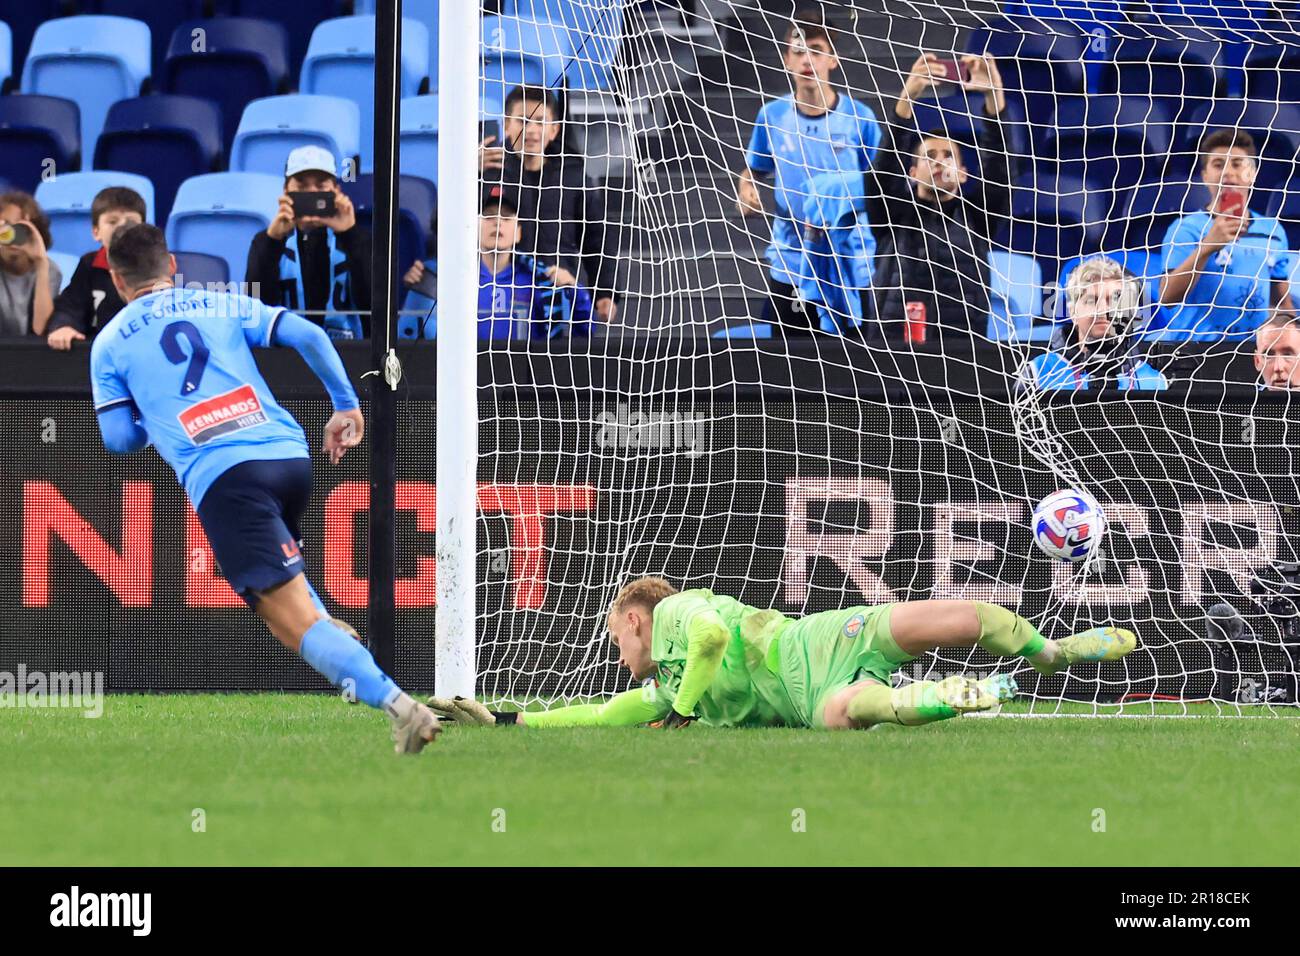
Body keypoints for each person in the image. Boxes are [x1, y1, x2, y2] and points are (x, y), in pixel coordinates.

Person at [91, 224, 439, 754]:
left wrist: (151, 411)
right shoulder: (218, 301)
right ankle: (335, 641)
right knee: (284, 612)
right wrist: (346, 405)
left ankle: (401, 707)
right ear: (173, 266)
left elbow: (118, 440)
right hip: (288, 456)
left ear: (116, 279)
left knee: (291, 621)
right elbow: (309, 335)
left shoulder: (111, 342)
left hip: (226, 477)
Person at [428, 576, 1137, 730]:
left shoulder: (676, 613)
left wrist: (679, 712)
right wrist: (512, 720)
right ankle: (956, 693)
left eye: (616, 638)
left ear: (635, 621)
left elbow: (709, 638)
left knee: (964, 617)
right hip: (814, 676)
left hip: (813, 644)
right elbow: (598, 714)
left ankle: (1046, 653)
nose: (617, 654)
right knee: (856, 709)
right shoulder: (662, 687)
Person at [736, 7, 881, 335]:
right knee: (784, 373)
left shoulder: (861, 118)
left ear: (833, 60)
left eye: (816, 50)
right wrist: (746, 188)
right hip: (791, 262)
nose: (806, 60)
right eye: (798, 51)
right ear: (787, 60)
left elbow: (880, 183)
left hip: (849, 263)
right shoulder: (771, 115)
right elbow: (753, 169)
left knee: (856, 374)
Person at [870, 52, 1013, 341]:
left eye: (948, 156)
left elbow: (1000, 166)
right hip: (891, 350)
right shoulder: (892, 215)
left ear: (962, 173)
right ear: (912, 172)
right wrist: (907, 98)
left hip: (962, 352)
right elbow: (883, 169)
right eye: (929, 156)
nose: (939, 162)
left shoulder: (977, 218)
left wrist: (994, 95)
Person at [480, 84, 617, 323]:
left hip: (558, 296)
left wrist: (605, 291)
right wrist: (467, 175)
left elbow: (596, 237)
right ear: (506, 125)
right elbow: (444, 226)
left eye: (541, 122)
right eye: (523, 120)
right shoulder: (486, 170)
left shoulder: (573, 175)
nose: (532, 130)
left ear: (554, 130)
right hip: (502, 297)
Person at [398, 187, 593, 341]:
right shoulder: (441, 276)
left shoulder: (542, 281)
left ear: (518, 233)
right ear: (473, 228)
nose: (497, 223)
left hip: (522, 383)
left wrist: (575, 290)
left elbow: (586, 334)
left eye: (506, 218)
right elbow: (407, 335)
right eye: (489, 216)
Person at [1155, 128, 1295, 341]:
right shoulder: (1185, 229)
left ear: (1253, 173)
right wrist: (1206, 248)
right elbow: (1167, 298)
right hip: (1195, 354)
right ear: (1205, 175)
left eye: (1237, 164)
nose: (1228, 172)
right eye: (1218, 164)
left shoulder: (1273, 231)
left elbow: (1280, 302)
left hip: (1251, 352)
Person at [246, 145, 371, 340]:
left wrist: (350, 235)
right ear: (286, 191)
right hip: (285, 357)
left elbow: (376, 307)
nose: (312, 194)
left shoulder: (360, 240)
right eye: (302, 187)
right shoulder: (266, 241)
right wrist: (272, 241)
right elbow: (255, 310)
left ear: (336, 190)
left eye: (321, 186)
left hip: (349, 355)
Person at [1019, 255, 1168, 391]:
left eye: (1114, 301)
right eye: (1092, 300)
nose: (1103, 310)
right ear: (1073, 312)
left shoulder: (1154, 382)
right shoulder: (1039, 373)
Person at [46, 186, 145, 350]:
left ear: (144, 230)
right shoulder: (89, 264)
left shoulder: (154, 263)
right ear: (96, 232)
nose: (122, 228)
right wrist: (63, 325)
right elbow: (71, 305)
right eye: (112, 222)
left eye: (131, 222)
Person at [0, 191, 61, 337]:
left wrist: (41, 263)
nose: (14, 235)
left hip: (32, 355)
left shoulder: (50, 270)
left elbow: (41, 330)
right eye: (6, 226)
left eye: (22, 228)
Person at [1254, 311, 1300, 390]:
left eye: (1288, 355)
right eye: (1268, 355)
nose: (1278, 368)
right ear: (1257, 361)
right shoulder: (1243, 401)